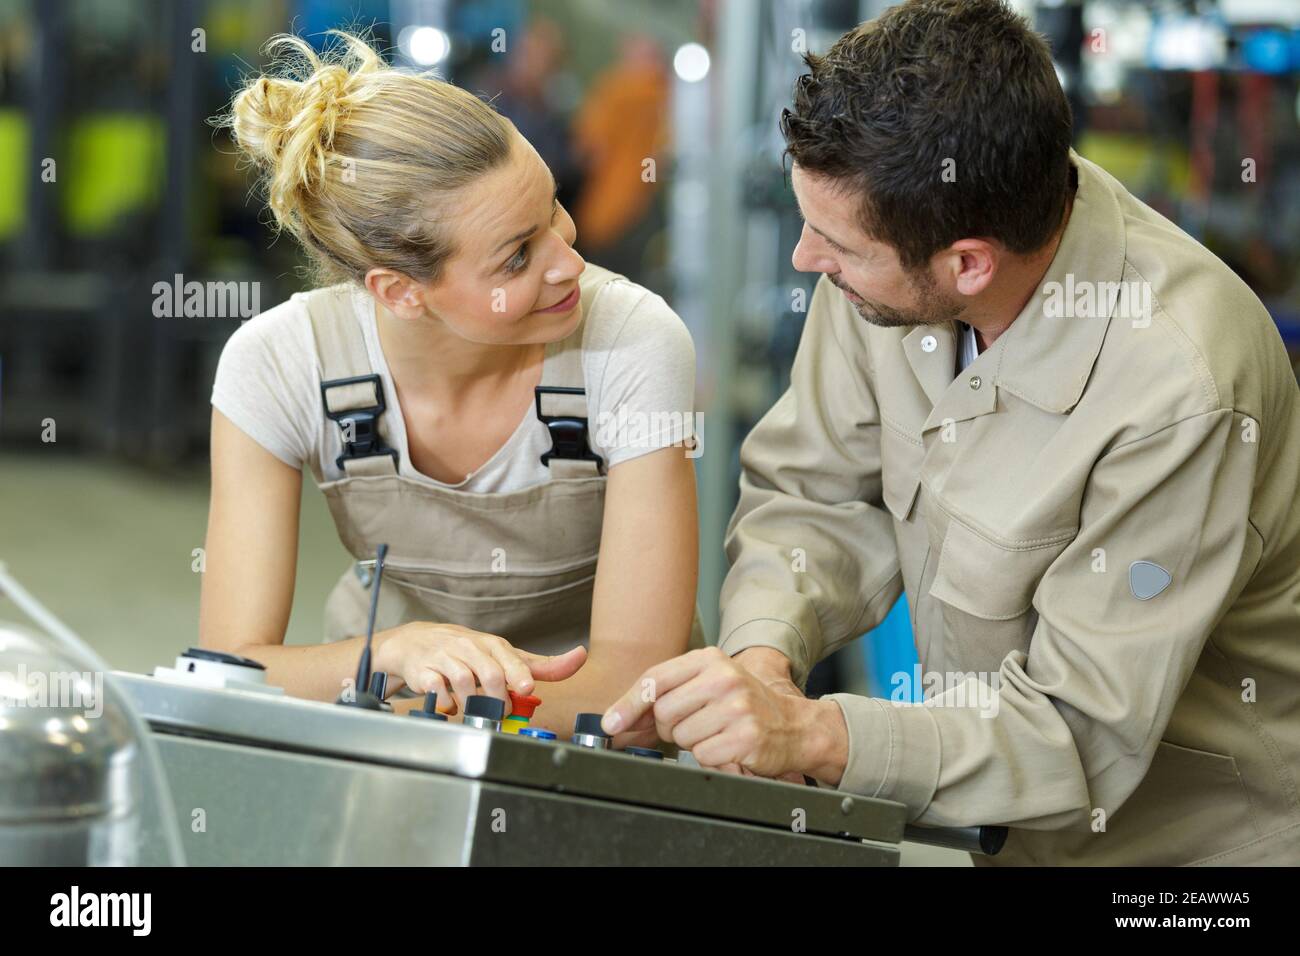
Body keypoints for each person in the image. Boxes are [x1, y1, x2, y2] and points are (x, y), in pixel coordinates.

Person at [603, 0, 1300, 865]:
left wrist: (819, 735)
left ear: (968, 263)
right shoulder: (889, 241)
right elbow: (817, 494)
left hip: (1192, 864)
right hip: (998, 836)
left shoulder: (1181, 386)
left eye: (834, 245)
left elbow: (1081, 729)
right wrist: (762, 661)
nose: (805, 261)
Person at [202, 31, 702, 742]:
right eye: (518, 255)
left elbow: (633, 684)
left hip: (589, 752)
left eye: (553, 208)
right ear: (401, 292)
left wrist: (405, 718)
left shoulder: (629, 339)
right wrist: (386, 656)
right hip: (376, 738)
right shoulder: (280, 365)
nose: (569, 260)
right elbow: (230, 671)